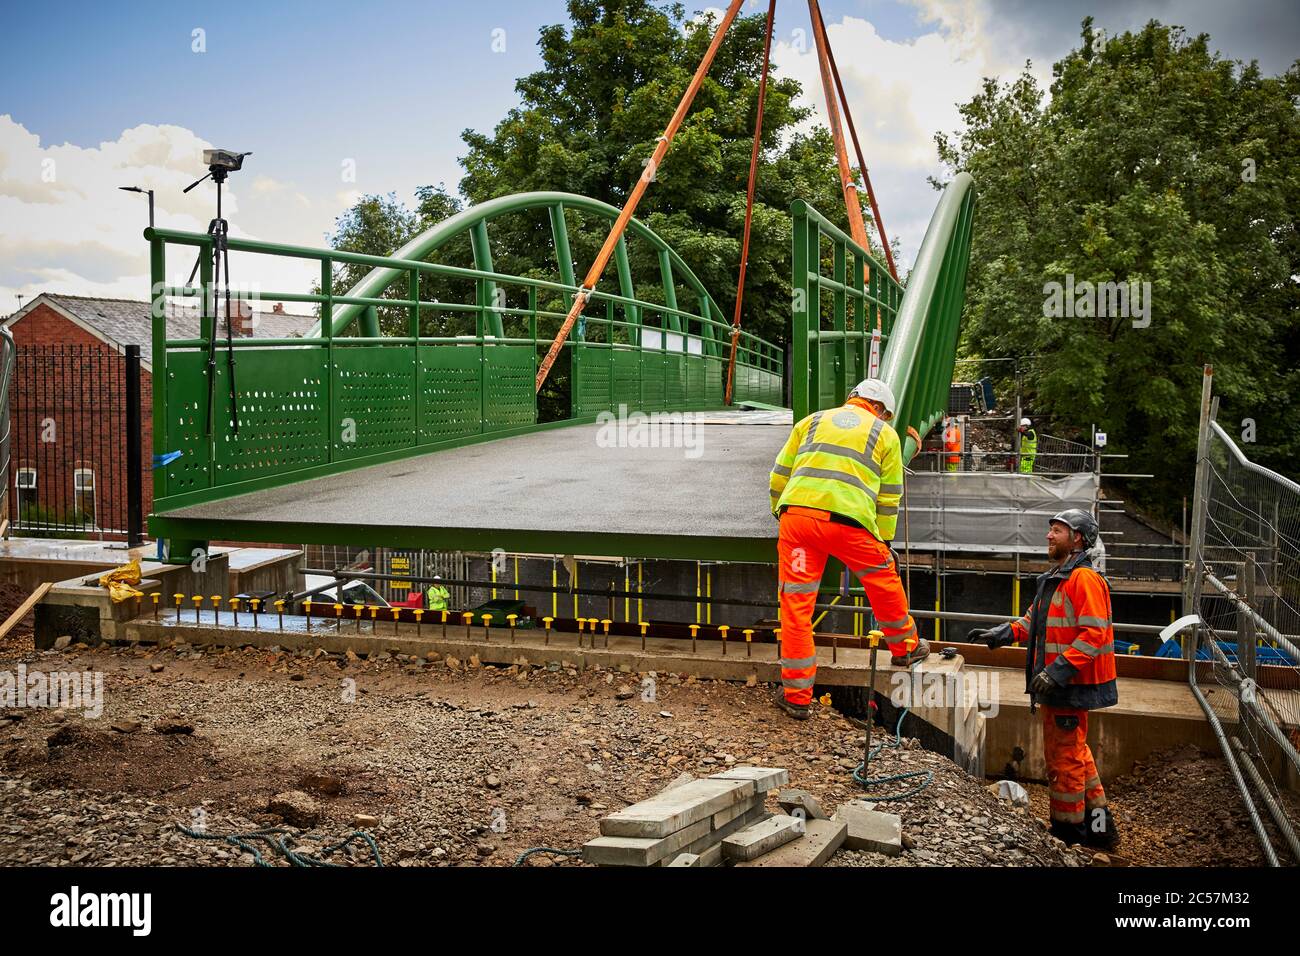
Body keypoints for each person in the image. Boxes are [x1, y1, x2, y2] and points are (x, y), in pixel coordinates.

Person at [768, 378, 929, 721]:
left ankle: (796, 697)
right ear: (882, 411)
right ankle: (907, 648)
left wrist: (780, 512)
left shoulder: (810, 422)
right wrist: (884, 541)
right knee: (882, 582)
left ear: (852, 399)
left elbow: (779, 475)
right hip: (850, 526)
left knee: (796, 605)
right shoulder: (885, 434)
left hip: (798, 522)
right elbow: (888, 499)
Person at [967, 509, 1119, 848]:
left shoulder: (1083, 580)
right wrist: (1003, 633)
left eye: (1057, 531)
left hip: (1070, 686)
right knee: (1078, 754)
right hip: (1063, 685)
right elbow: (1032, 623)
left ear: (1077, 538)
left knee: (1064, 760)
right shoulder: (1058, 580)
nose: (1049, 536)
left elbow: (1094, 634)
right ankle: (1100, 830)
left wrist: (1056, 671)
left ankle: (1068, 834)